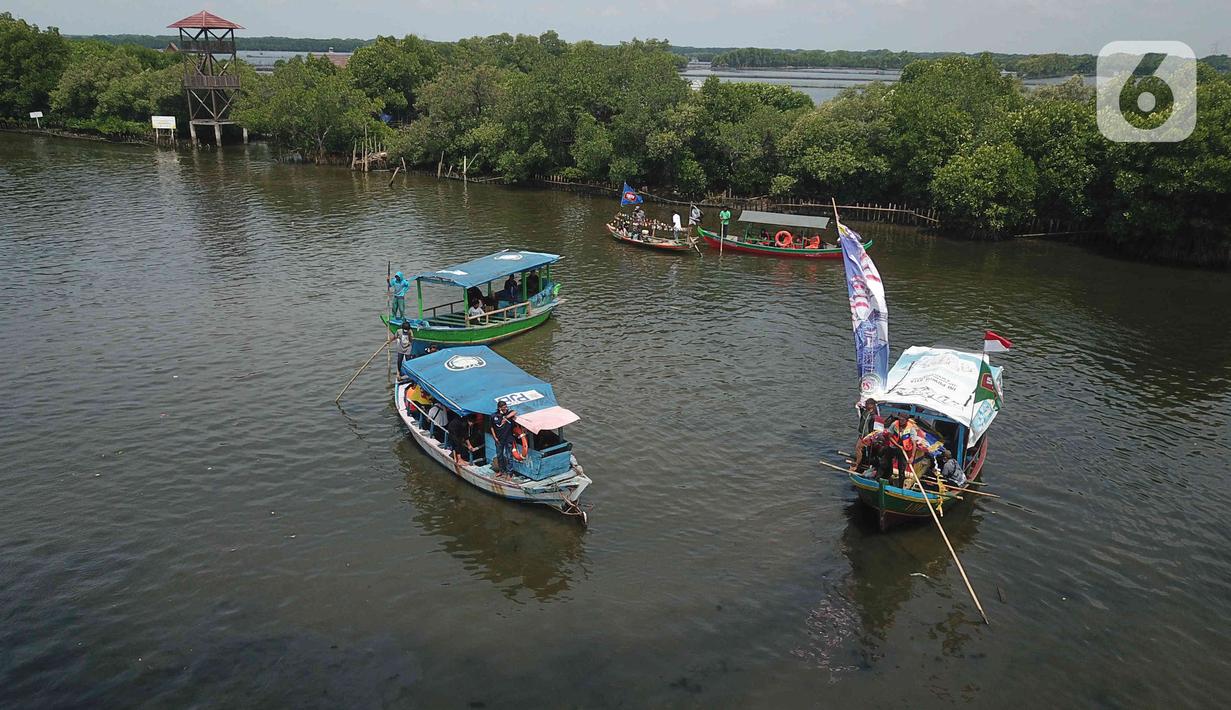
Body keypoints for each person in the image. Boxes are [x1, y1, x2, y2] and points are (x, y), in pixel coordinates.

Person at [489, 400, 517, 474]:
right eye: (504, 407)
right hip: (498, 439)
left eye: (506, 407)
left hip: (508, 438)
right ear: (499, 408)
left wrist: (506, 418)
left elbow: (515, 412)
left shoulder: (508, 413)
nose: (505, 408)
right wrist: (495, 437)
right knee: (499, 455)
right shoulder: (493, 416)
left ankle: (509, 473)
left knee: (509, 456)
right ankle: (501, 470)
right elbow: (492, 427)